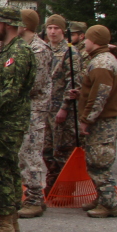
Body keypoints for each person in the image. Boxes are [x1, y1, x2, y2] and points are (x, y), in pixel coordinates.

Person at [0, 6, 37, 232]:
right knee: (8, 169)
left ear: (9, 25)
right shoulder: (8, 50)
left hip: (8, 120)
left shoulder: (19, 53)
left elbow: (10, 92)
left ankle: (6, 224)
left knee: (1, 171)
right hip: (6, 119)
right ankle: (10, 218)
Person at [74, 25, 117, 217]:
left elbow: (100, 96)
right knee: (94, 160)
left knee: (100, 161)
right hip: (101, 120)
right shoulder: (103, 60)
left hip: (102, 122)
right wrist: (80, 94)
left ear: (94, 40)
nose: (84, 41)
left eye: (87, 38)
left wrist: (86, 119)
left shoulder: (102, 63)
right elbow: (94, 90)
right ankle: (101, 198)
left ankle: (109, 204)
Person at [17, 9, 53, 219]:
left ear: (26, 25)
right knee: (24, 152)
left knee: (31, 153)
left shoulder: (38, 49)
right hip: (25, 109)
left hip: (35, 110)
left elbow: (35, 83)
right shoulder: (24, 47)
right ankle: (31, 194)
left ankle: (35, 198)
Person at [46, 15, 82, 193]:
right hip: (45, 108)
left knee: (61, 149)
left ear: (62, 30)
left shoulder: (70, 52)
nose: (52, 32)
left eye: (56, 28)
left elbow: (73, 82)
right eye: (50, 28)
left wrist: (65, 107)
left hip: (61, 109)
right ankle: (52, 186)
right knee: (46, 150)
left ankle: (65, 188)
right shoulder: (46, 50)